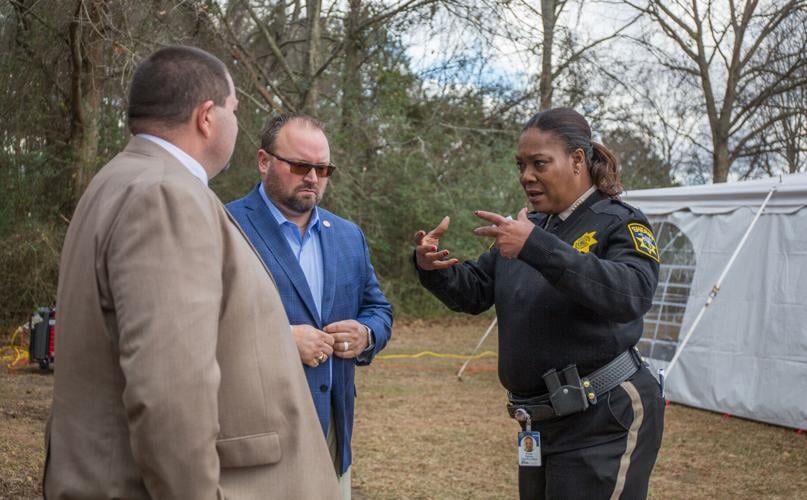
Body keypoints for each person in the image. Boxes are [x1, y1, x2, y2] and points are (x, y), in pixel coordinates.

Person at [44, 46, 340, 500]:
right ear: (207, 117)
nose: (236, 124)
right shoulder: (166, 195)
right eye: (234, 111)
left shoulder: (118, 180)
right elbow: (169, 391)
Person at [413, 107, 664, 499]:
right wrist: (432, 268)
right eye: (521, 164)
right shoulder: (531, 227)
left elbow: (632, 293)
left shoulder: (618, 222)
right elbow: (477, 289)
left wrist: (536, 247)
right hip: (540, 426)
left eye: (539, 163)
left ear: (577, 160)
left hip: (602, 420)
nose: (526, 175)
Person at [226, 113, 393, 499]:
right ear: (264, 161)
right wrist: (281, 340)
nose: (313, 178)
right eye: (300, 165)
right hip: (254, 438)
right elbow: (200, 327)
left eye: (323, 168)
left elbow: (378, 309)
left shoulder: (349, 236)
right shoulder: (224, 225)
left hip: (332, 432)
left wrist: (365, 334)